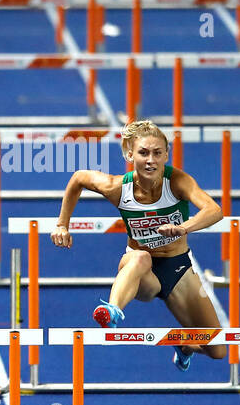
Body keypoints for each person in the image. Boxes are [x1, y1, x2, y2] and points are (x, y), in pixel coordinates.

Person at [51, 120, 225, 370]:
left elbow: (214, 210)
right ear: (130, 154)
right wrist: (62, 224)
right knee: (141, 257)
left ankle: (185, 346)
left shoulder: (178, 181)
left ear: (166, 154)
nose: (151, 160)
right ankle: (112, 310)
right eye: (143, 153)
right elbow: (79, 178)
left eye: (157, 153)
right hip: (141, 272)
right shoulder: (117, 188)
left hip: (178, 268)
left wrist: (183, 228)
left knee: (217, 350)